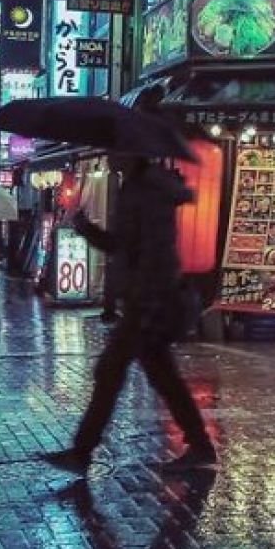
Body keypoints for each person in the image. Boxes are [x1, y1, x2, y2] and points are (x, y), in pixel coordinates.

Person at [43, 153, 214, 475]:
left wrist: (88, 231)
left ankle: (82, 452)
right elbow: (128, 245)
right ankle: (200, 445)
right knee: (162, 378)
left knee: (111, 373)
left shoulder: (143, 192)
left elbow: (141, 249)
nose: (110, 157)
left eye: (116, 150)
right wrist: (88, 230)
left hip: (148, 300)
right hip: (150, 298)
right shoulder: (141, 188)